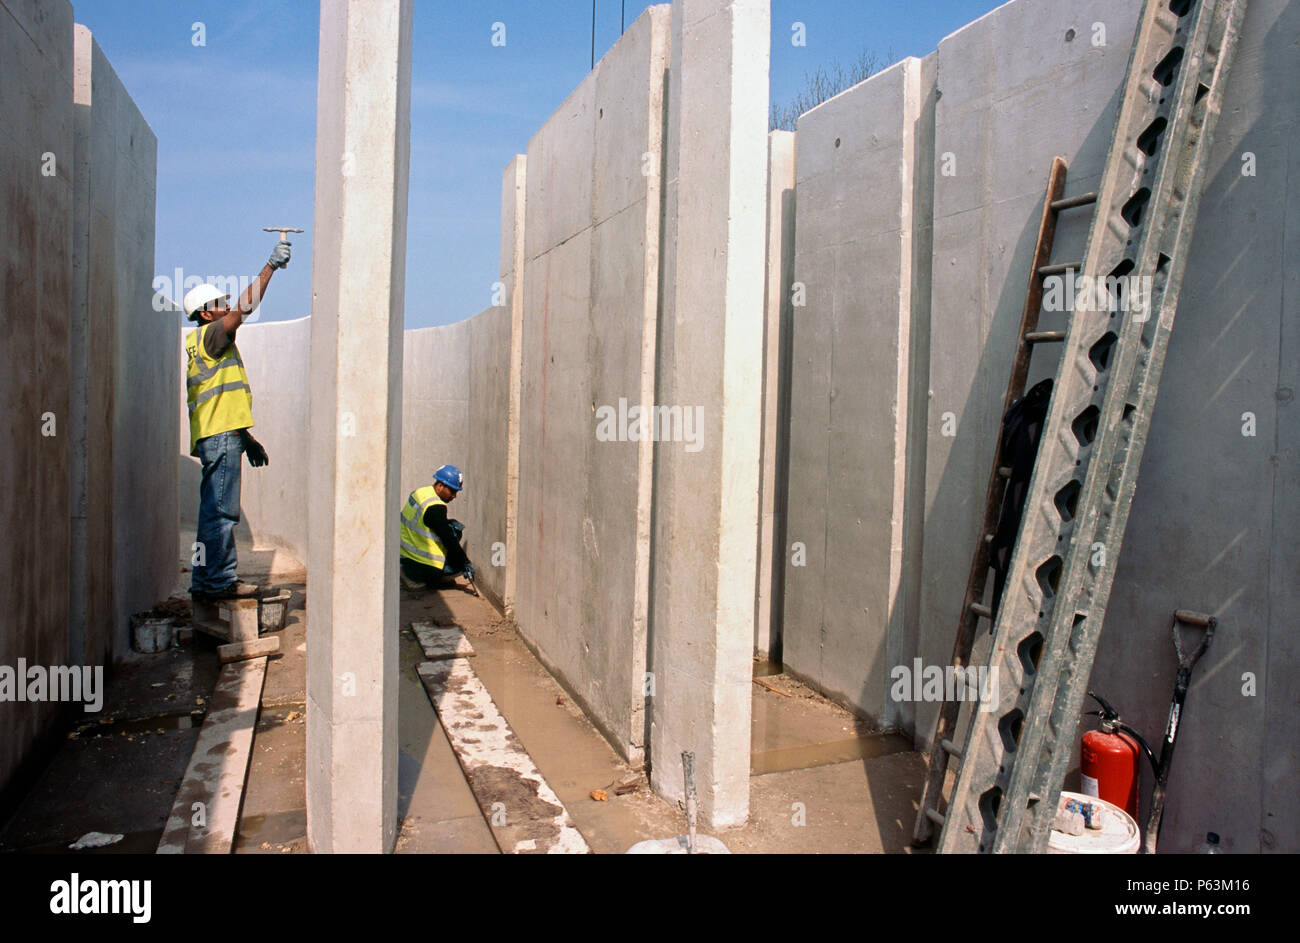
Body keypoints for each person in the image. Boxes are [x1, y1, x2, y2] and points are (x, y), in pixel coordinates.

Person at [184, 240, 291, 601]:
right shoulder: (214, 336)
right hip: (220, 437)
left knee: (211, 513)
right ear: (205, 314)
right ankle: (219, 582)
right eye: (219, 305)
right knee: (222, 514)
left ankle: (205, 582)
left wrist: (246, 439)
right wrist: (270, 267)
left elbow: (221, 403)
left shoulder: (202, 343)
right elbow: (244, 309)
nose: (227, 307)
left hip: (220, 435)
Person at [399, 464, 476, 591]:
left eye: (456, 492)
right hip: (419, 565)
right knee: (456, 562)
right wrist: (465, 563)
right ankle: (432, 579)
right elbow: (449, 540)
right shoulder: (435, 508)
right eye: (452, 491)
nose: (454, 496)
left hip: (403, 554)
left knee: (450, 527)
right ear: (440, 486)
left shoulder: (420, 492)